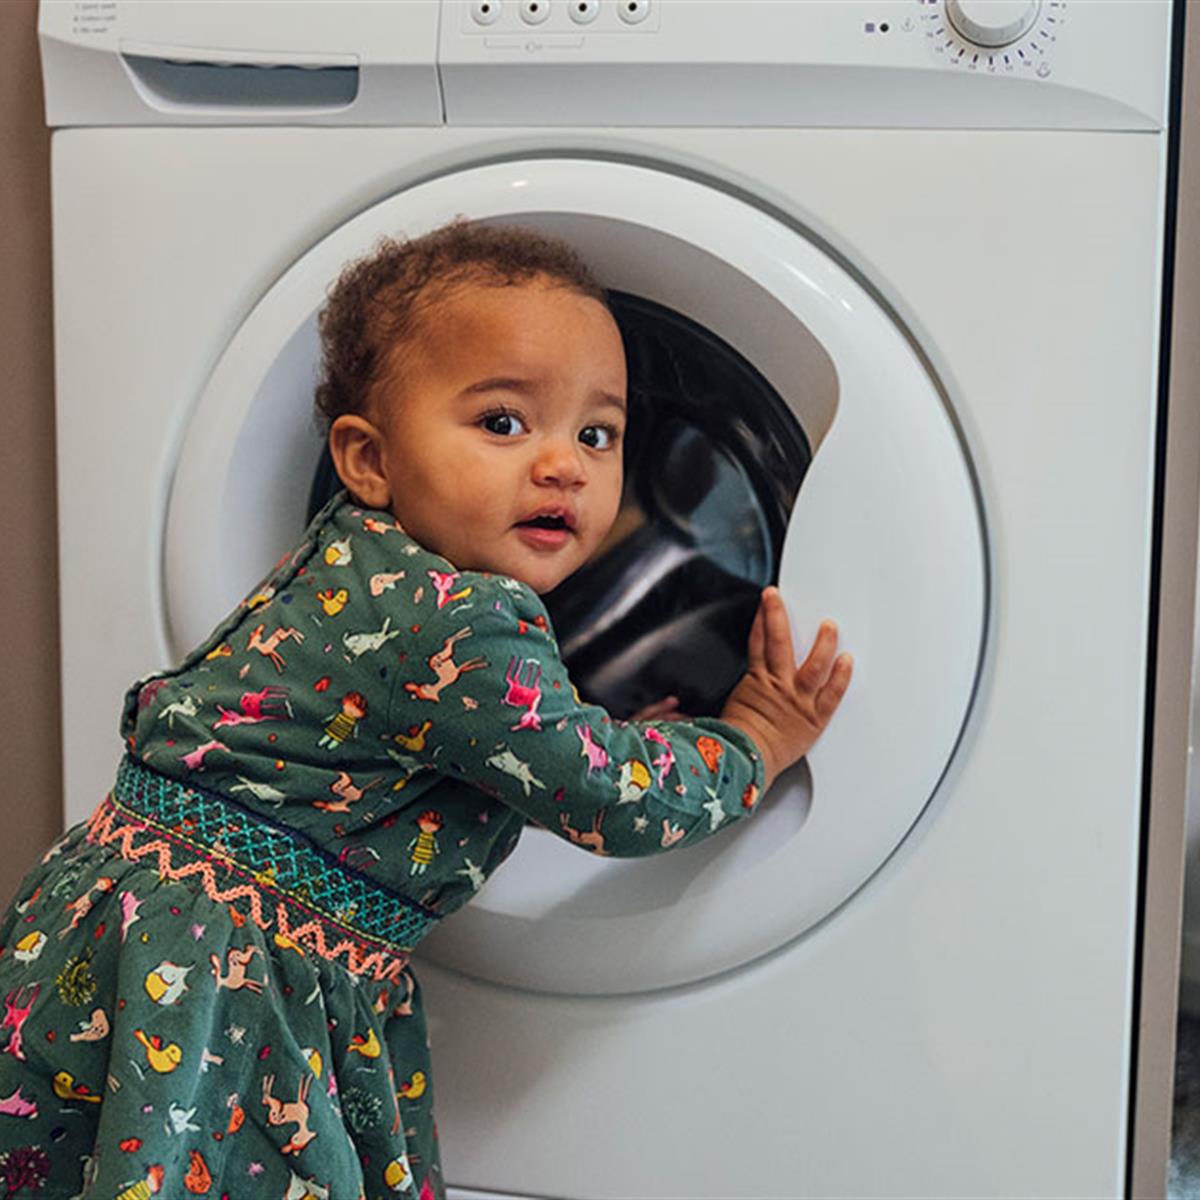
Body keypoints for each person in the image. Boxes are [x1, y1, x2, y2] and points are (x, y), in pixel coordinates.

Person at [0, 220, 852, 1200]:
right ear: (368, 458)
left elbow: (480, 736)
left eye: (597, 433)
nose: (564, 464)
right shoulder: (464, 621)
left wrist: (607, 726)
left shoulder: (356, 556)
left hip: (115, 913)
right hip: (228, 968)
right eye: (502, 423)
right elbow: (615, 801)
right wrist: (751, 737)